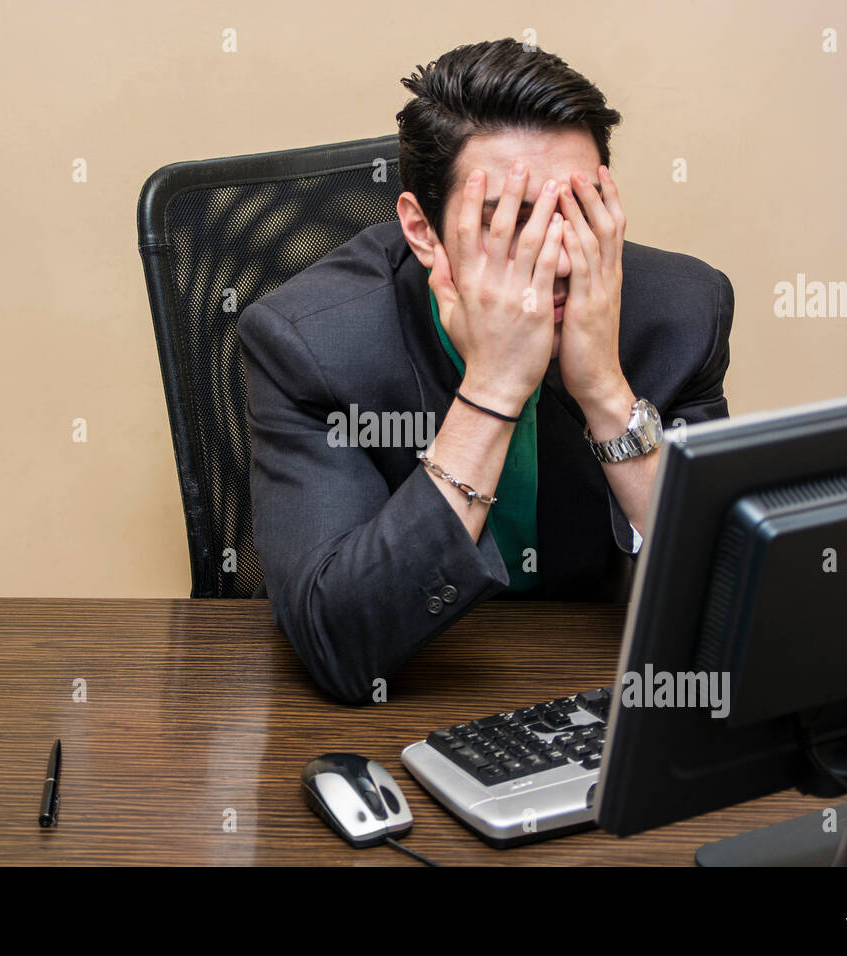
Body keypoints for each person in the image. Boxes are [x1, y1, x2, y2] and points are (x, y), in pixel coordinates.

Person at [238, 38, 734, 704]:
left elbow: (732, 605)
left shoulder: (678, 314)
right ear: (421, 229)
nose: (555, 258)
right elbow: (343, 645)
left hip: (594, 688)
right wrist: (493, 388)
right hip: (412, 687)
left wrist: (606, 393)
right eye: (513, 226)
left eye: (576, 215)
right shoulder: (311, 343)